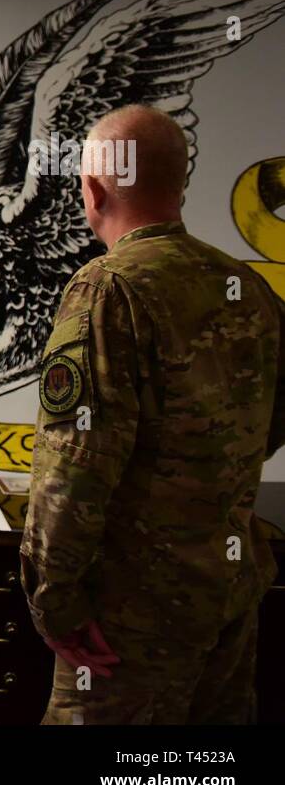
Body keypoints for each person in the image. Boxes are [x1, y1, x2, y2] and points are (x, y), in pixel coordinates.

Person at [21, 104, 283, 724]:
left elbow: (72, 471)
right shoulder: (246, 285)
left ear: (93, 189)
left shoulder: (108, 289)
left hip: (128, 620)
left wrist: (53, 605)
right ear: (180, 182)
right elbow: (270, 422)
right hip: (227, 595)